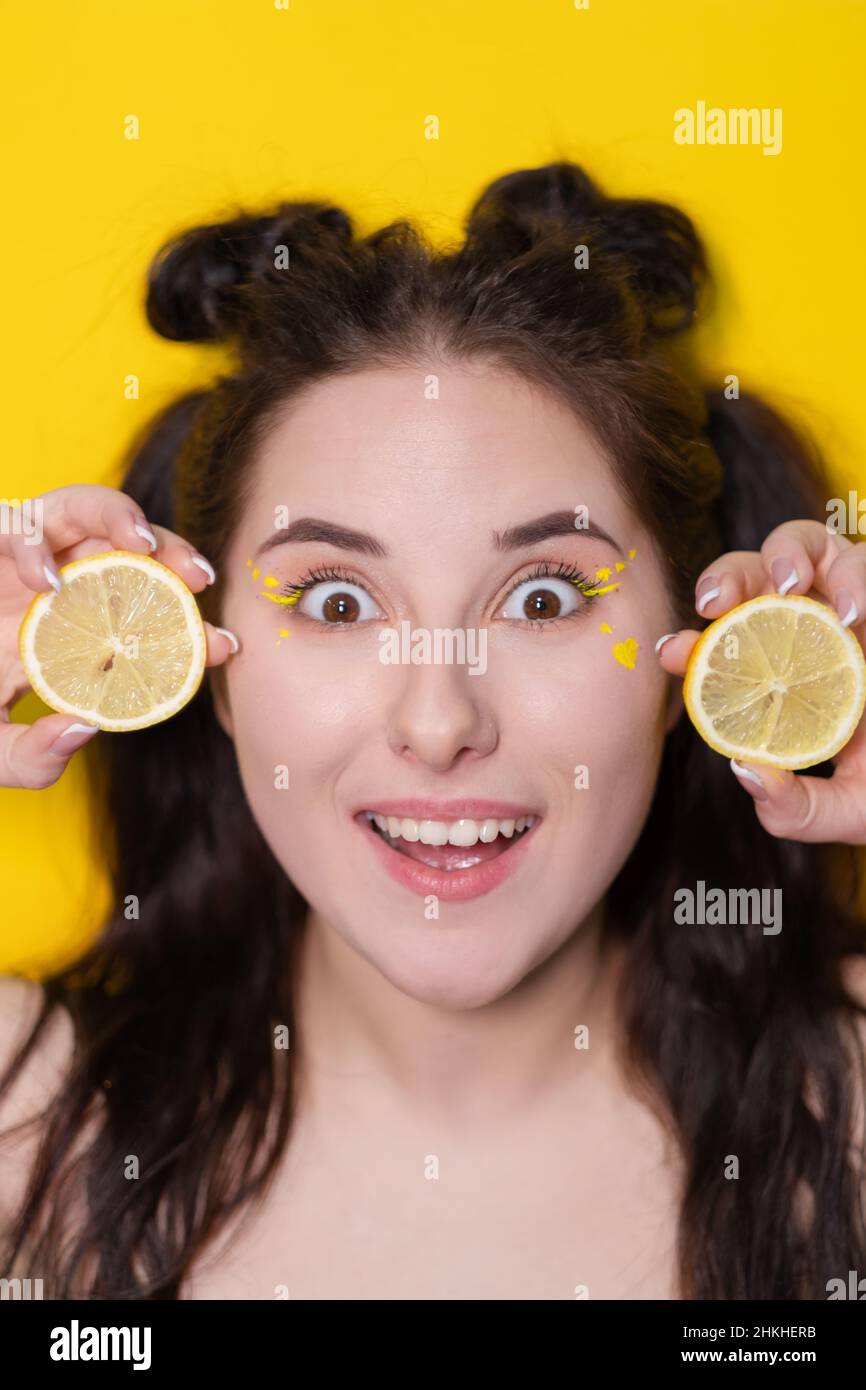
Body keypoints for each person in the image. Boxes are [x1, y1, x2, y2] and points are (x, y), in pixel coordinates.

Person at [1, 163, 864, 1300]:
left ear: (692, 652)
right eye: (336, 602)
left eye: (544, 598)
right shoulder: (26, 1126)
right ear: (203, 664)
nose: (439, 719)